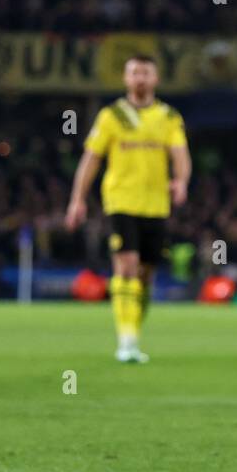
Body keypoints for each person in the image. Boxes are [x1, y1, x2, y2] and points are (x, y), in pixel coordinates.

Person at [66, 56, 191, 363]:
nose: (140, 78)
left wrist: (181, 181)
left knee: (146, 274)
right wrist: (77, 199)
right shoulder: (111, 116)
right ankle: (127, 341)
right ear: (125, 78)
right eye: (134, 72)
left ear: (155, 78)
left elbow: (180, 153)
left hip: (155, 206)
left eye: (145, 72)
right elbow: (91, 159)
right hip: (120, 202)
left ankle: (133, 333)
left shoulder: (168, 116)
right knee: (126, 265)